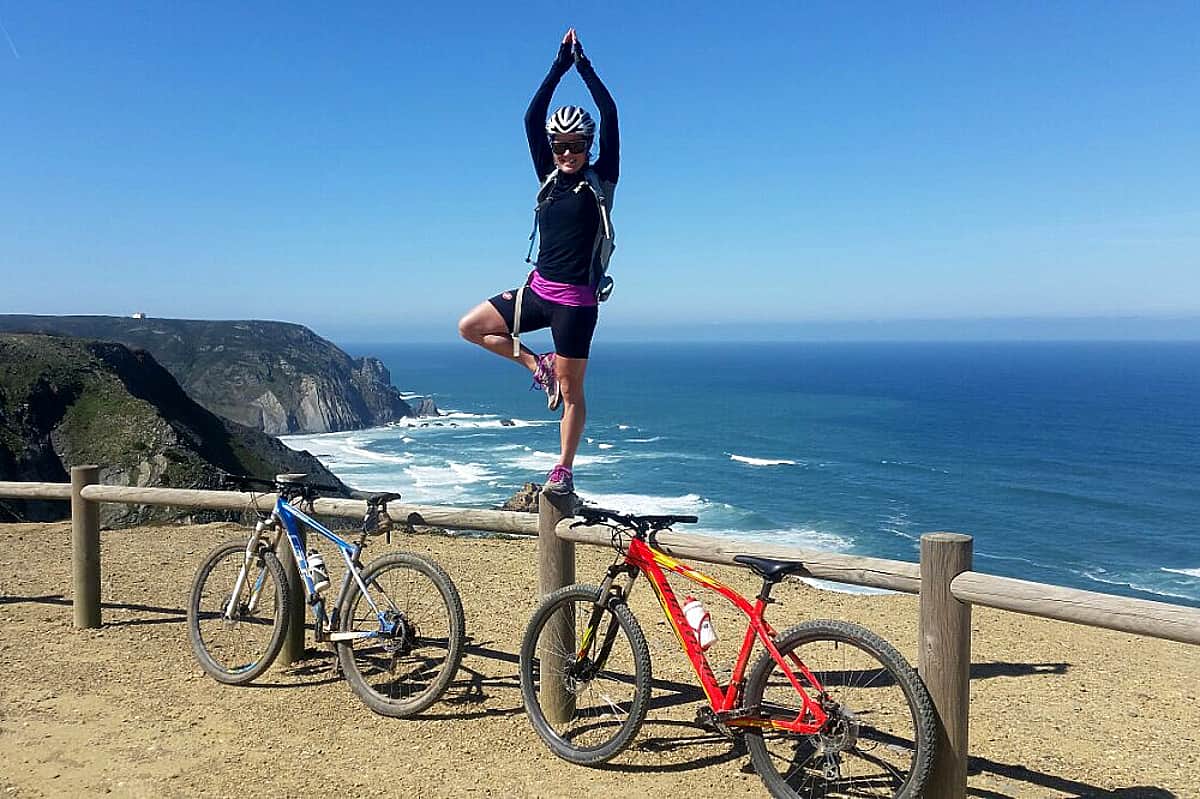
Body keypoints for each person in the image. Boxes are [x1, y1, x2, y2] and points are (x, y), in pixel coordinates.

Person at [458, 28, 619, 496]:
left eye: (576, 145)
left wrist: (583, 65)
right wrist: (558, 65)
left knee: (572, 394)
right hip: (537, 291)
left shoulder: (601, 180)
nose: (567, 153)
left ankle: (564, 468)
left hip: (575, 304)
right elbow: (531, 118)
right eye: (559, 146)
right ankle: (536, 365)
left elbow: (610, 113)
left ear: (589, 146)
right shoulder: (547, 178)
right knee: (471, 326)